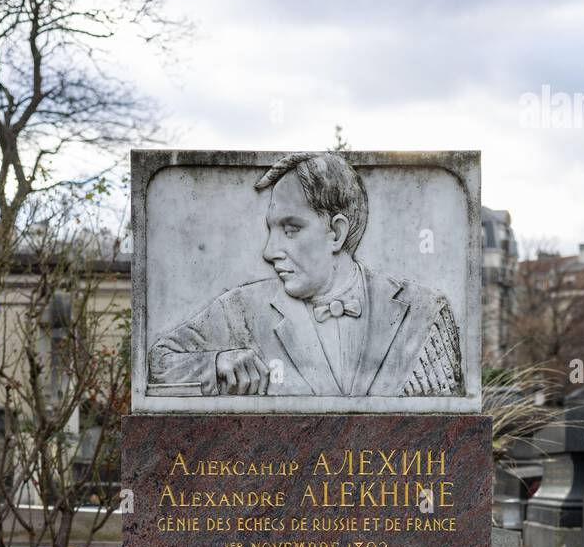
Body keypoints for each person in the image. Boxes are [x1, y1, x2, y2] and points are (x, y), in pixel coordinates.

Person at [148, 151, 464, 398]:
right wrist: (215, 364)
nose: (269, 252)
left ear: (336, 233)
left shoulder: (424, 314)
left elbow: (446, 430)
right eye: (271, 230)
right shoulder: (242, 310)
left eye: (290, 229)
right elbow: (158, 363)